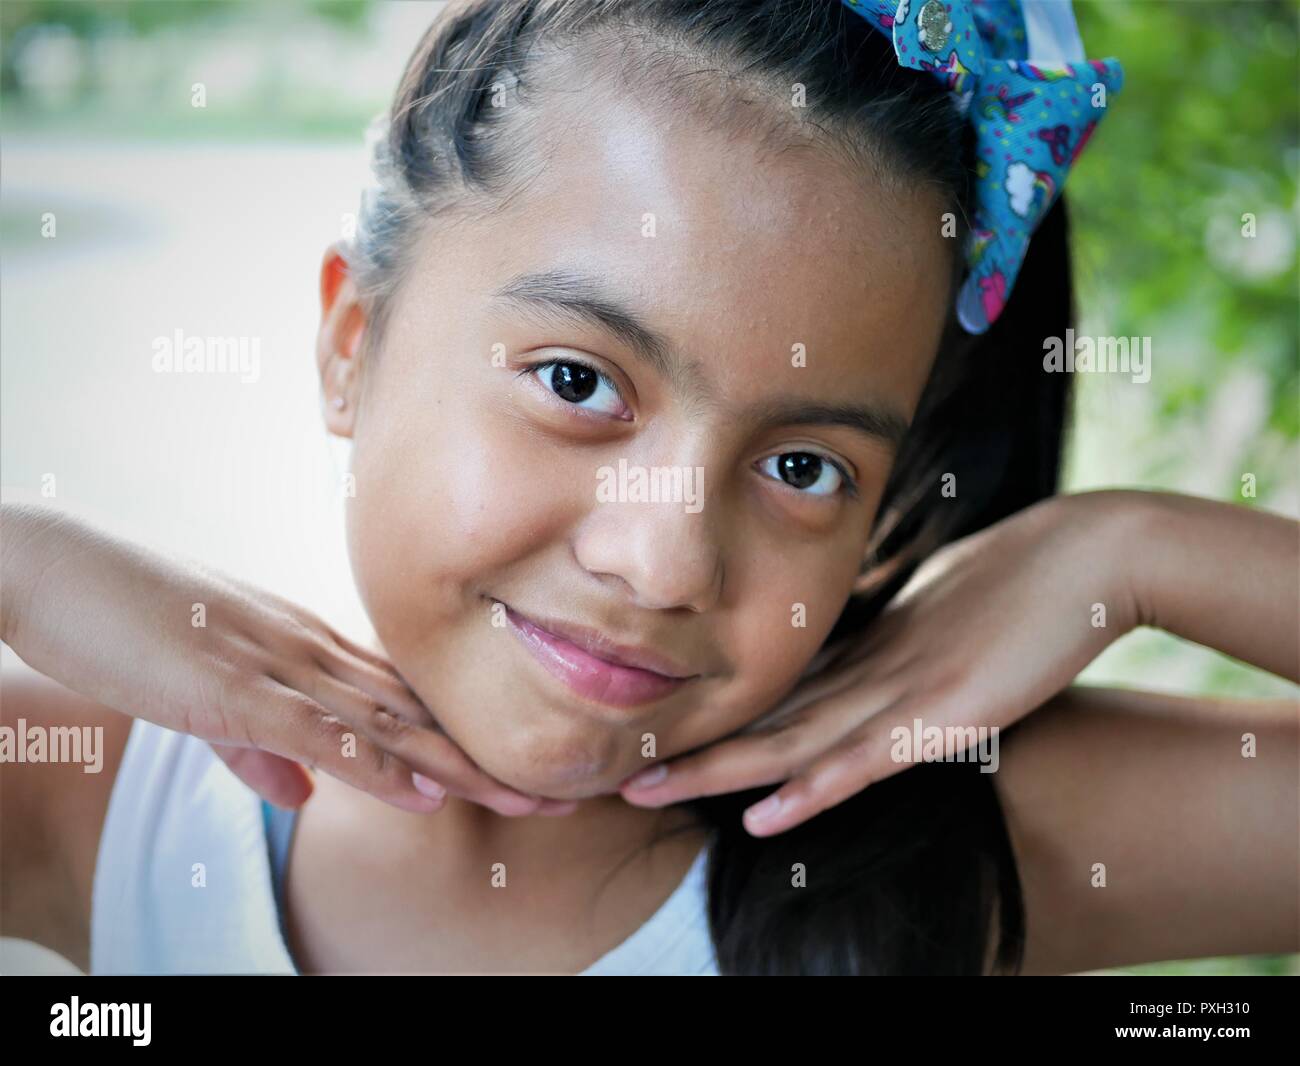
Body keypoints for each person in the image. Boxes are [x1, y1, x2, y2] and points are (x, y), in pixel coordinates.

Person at [1, 0, 1295, 975]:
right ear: (353, 344)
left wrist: (1134, 552)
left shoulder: (932, 841)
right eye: (577, 382)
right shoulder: (100, 798)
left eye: (804, 468)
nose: (665, 561)